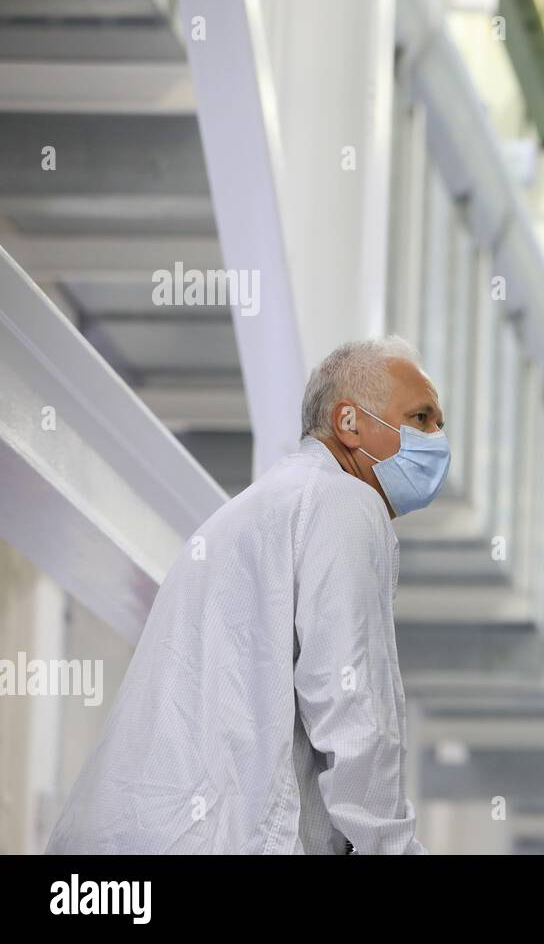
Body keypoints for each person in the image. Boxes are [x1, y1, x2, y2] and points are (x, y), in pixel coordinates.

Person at [46, 336, 447, 854]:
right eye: (421, 417)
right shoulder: (343, 504)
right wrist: (393, 848)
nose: (437, 438)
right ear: (349, 423)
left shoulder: (260, 507)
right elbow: (354, 709)